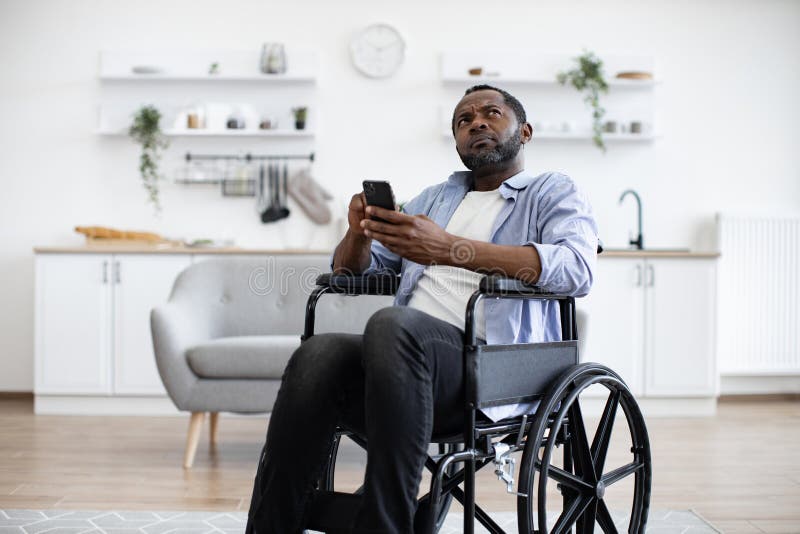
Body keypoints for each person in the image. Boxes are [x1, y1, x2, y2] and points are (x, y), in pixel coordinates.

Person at [246, 84, 599, 534]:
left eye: (491, 113)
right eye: (464, 121)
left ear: (524, 131)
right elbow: (354, 272)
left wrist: (450, 248)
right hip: (401, 365)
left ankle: (385, 525)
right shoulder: (435, 198)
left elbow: (576, 270)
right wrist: (359, 233)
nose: (477, 124)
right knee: (317, 355)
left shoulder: (552, 191)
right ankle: (270, 526)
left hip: (490, 367)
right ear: (456, 141)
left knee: (395, 324)